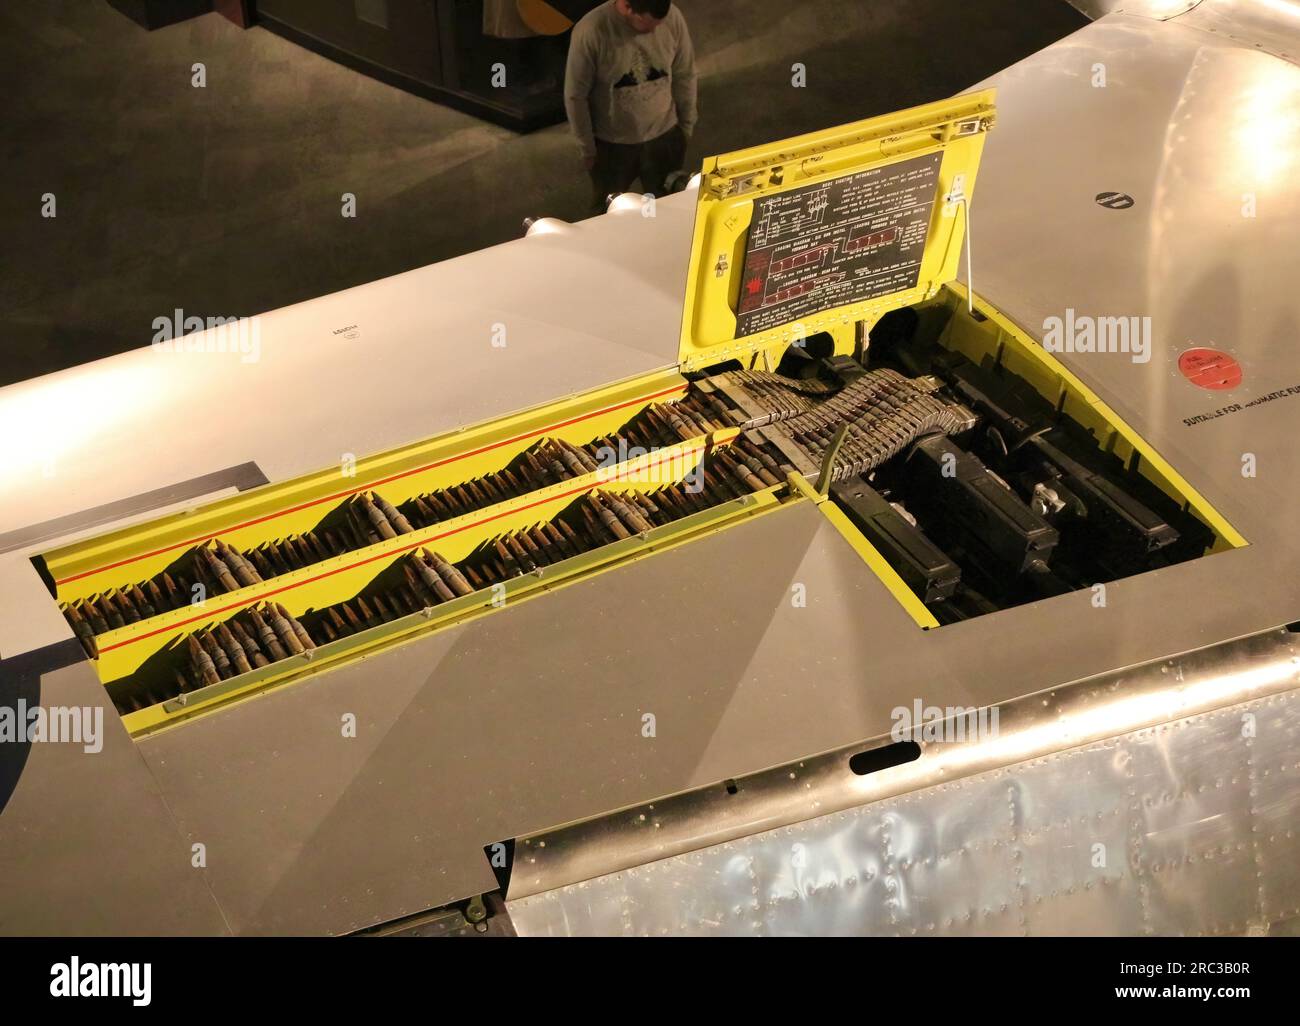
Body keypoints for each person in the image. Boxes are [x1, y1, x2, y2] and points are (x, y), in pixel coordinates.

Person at [563, 0, 698, 212]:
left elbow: (685, 74)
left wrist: (686, 125)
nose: (655, 30)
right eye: (648, 25)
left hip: (664, 137)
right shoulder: (591, 31)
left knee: (665, 210)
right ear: (627, 7)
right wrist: (587, 148)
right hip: (612, 147)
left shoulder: (672, 18)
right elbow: (575, 96)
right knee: (607, 214)